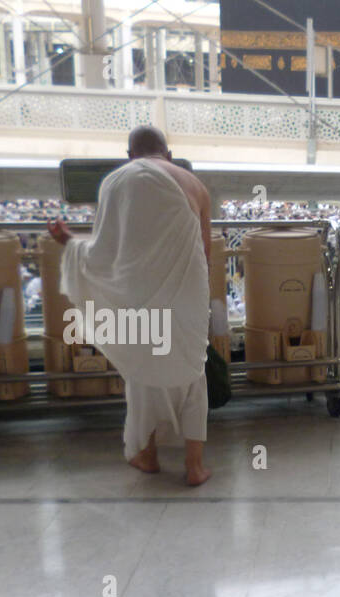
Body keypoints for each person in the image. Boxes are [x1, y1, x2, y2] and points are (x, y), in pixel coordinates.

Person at [49, 125, 212, 485]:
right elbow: (205, 252)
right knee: (193, 374)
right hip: (187, 296)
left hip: (139, 298)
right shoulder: (194, 184)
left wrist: (69, 242)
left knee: (142, 374)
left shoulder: (116, 181)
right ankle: (195, 466)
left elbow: (105, 253)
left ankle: (148, 455)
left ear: (130, 156)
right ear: (168, 155)